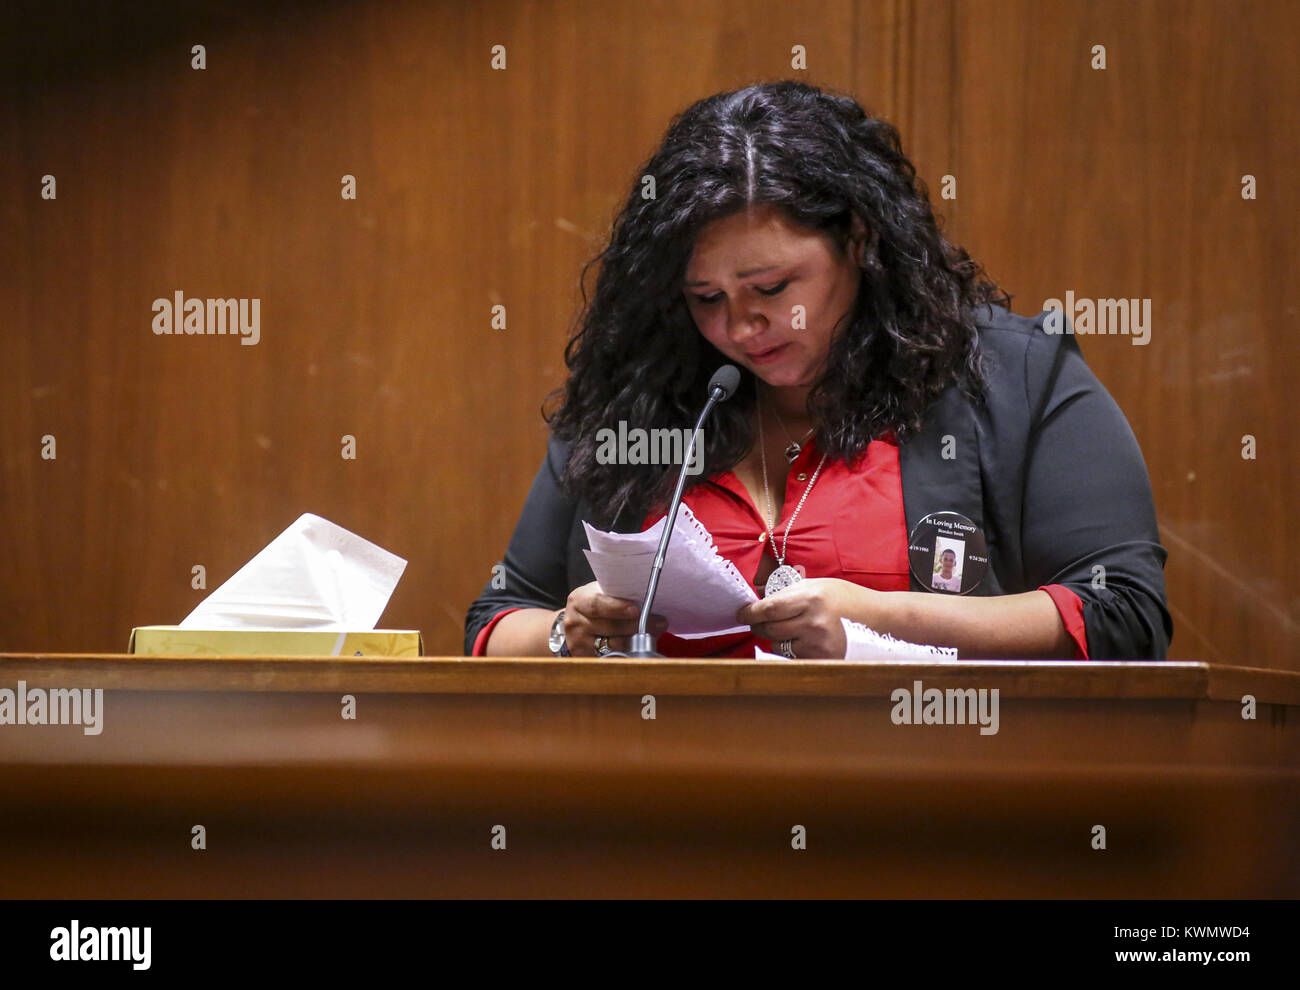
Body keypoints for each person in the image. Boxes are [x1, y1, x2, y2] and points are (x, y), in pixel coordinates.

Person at [464, 80, 1172, 661]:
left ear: (858, 240)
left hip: (933, 798)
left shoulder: (1011, 371)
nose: (740, 327)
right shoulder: (643, 391)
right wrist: (567, 632)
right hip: (664, 801)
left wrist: (879, 616)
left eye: (772, 288)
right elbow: (499, 617)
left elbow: (1124, 611)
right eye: (705, 298)